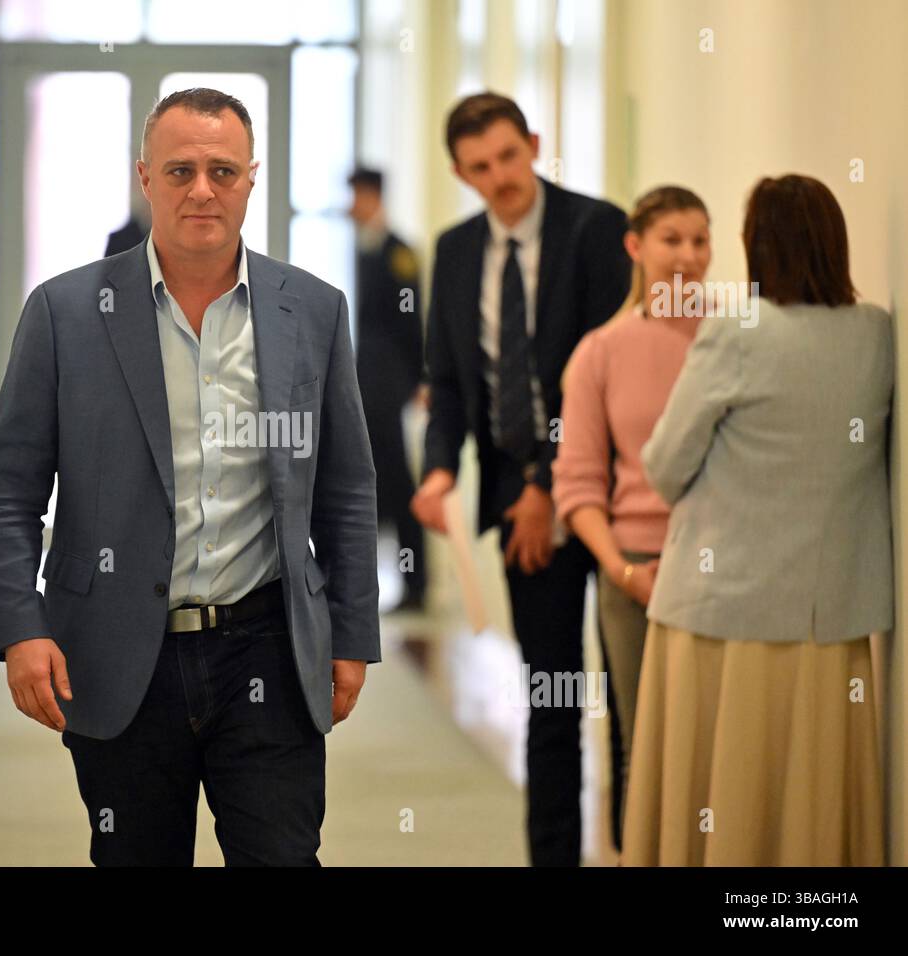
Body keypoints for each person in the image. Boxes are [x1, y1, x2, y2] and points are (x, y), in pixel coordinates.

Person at [0, 88, 381, 866]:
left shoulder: (314, 313)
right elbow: (8, 490)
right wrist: (21, 627)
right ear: (145, 177)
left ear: (251, 179)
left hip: (265, 648)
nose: (203, 189)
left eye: (223, 170)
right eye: (182, 169)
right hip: (120, 653)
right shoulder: (65, 312)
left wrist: (354, 632)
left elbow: (346, 489)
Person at [624, 174, 893, 866]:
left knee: (720, 794)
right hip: (829, 617)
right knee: (809, 802)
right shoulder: (877, 334)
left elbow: (664, 465)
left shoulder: (738, 331)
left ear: (755, 246)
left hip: (723, 610)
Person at [411, 92, 630, 866]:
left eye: (508, 156)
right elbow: (448, 382)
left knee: (629, 690)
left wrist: (548, 483)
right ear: (460, 172)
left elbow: (602, 376)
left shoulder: (597, 229)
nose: (500, 177)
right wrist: (439, 471)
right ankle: (555, 858)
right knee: (553, 694)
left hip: (616, 491)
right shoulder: (458, 249)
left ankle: (637, 848)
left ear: (532, 144)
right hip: (515, 500)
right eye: (480, 166)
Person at [551, 185, 711, 852]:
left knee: (711, 744)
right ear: (636, 247)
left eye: (700, 240)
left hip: (723, 569)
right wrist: (620, 568)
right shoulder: (601, 350)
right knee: (640, 741)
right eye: (672, 239)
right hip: (635, 574)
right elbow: (579, 484)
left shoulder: (732, 336)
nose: (688, 256)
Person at [347, 166, 428, 610]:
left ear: (373, 196)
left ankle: (416, 584)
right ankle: (369, 583)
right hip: (366, 384)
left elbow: (410, 319)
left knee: (397, 484)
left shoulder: (398, 253)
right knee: (373, 484)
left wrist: (418, 378)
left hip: (389, 385)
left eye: (357, 196)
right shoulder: (365, 248)